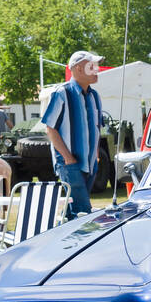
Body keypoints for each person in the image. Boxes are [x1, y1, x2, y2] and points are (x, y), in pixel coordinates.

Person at [43, 50, 105, 220]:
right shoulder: (61, 93)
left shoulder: (95, 96)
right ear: (78, 69)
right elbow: (50, 128)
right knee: (83, 211)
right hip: (70, 165)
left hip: (90, 163)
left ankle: (63, 243)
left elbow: (97, 128)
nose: (97, 70)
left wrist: (97, 155)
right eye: (92, 66)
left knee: (74, 214)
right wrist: (68, 158)